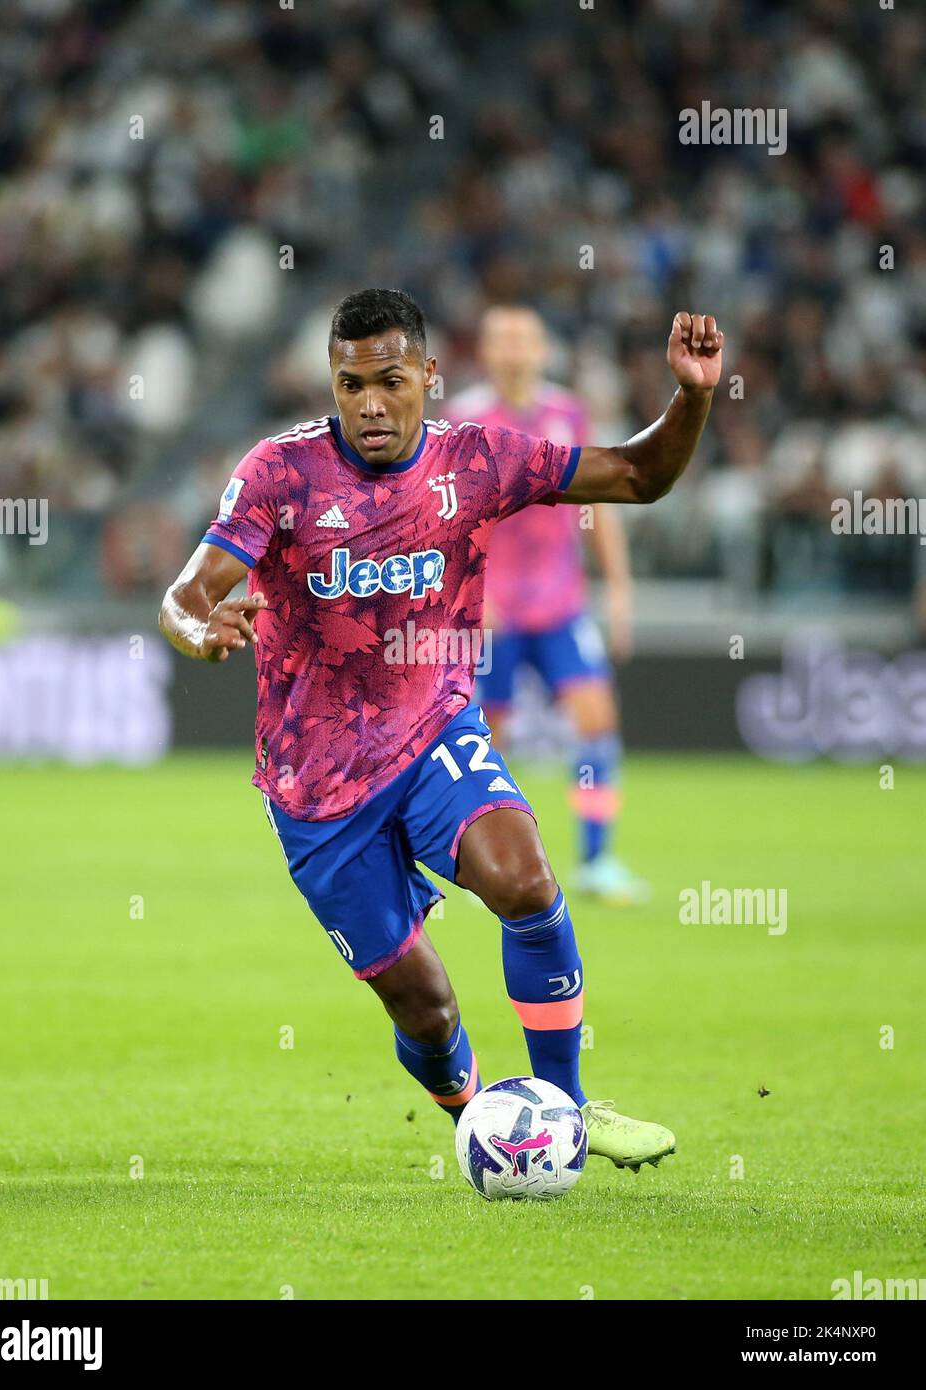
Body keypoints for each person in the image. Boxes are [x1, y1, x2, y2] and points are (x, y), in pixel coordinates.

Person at [159, 288, 723, 1171]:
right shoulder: (279, 472)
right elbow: (186, 593)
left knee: (523, 878)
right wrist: (198, 630)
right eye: (350, 385)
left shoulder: (479, 460)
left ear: (429, 375)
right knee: (426, 1008)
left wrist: (690, 397)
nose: (369, 404)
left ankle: (564, 1111)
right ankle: (475, 1121)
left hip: (432, 730)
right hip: (314, 785)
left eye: (389, 381)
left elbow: (637, 475)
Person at [448, 306, 649, 902]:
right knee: (489, 742)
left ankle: (597, 859)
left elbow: (601, 506)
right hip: (495, 611)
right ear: (485, 352)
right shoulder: (464, 421)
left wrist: (619, 590)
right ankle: (487, 866)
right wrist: (466, 596)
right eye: (502, 341)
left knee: (596, 722)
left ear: (542, 350)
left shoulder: (568, 413)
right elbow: (450, 521)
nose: (514, 352)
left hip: (560, 604)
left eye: (524, 341)